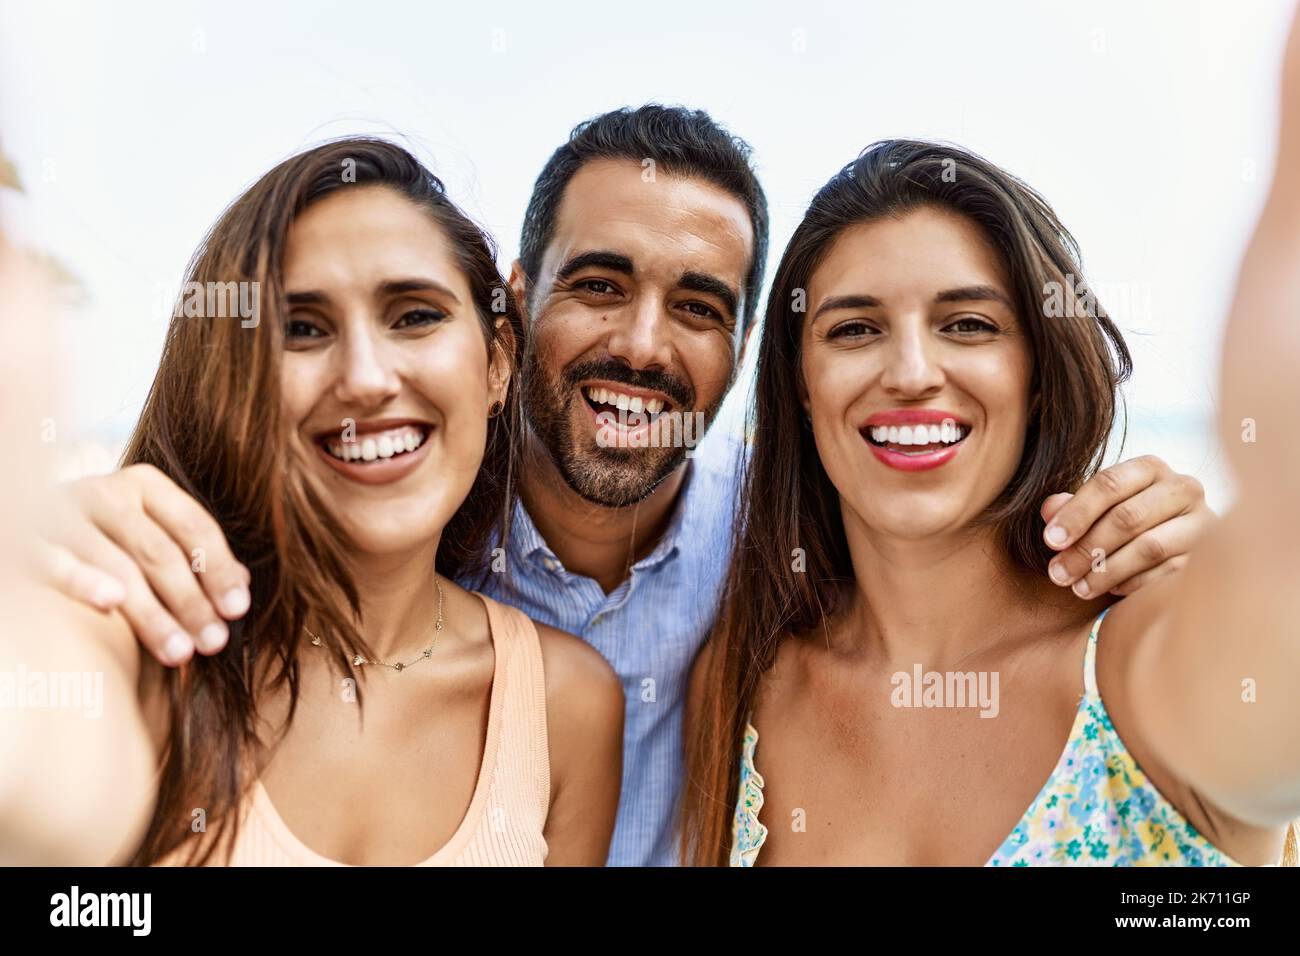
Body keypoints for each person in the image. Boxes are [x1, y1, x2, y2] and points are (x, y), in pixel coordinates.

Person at [41, 108, 1217, 867]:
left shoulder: (785, 575)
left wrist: (1173, 549)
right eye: (598, 285)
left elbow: (945, 502)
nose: (645, 344)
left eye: (701, 306)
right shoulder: (352, 525)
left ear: (751, 348)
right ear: (511, 317)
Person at [681, 36, 1300, 863]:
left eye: (967, 325)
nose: (909, 373)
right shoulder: (741, 685)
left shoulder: (1140, 669)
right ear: (799, 385)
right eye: (856, 329)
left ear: (1039, 374)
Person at [15, 138, 624, 866]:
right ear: (237, 383)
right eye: (302, 329)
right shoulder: (138, 639)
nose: (366, 378)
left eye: (414, 316)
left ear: (496, 363)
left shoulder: (569, 705)